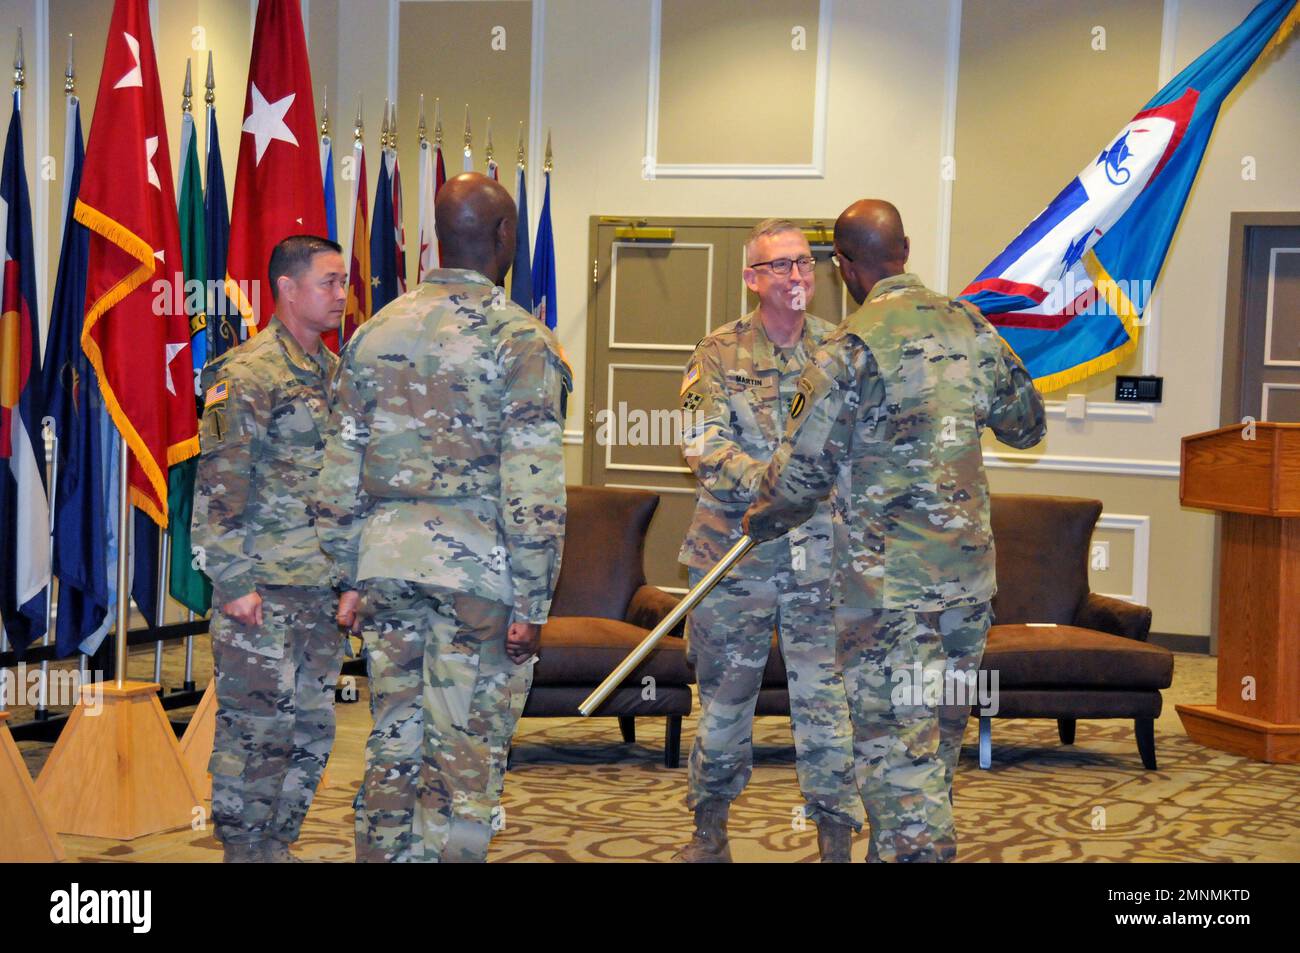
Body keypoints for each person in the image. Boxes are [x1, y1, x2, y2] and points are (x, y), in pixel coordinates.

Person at [744, 200, 1047, 862]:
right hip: (967, 591)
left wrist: (761, 515)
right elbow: (1028, 424)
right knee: (931, 752)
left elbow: (798, 474)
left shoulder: (850, 349)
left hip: (890, 599)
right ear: (906, 250)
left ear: (842, 266)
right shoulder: (972, 327)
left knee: (898, 763)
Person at [315, 172, 571, 863]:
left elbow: (339, 466)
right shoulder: (520, 339)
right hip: (478, 578)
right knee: (465, 755)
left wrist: (345, 574)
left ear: (437, 236)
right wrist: (535, 597)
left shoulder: (373, 331)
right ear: (504, 238)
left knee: (393, 739)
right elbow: (533, 480)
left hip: (385, 566)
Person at [674, 219, 862, 863]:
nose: (797, 276)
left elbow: (859, 450)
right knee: (725, 703)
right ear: (753, 279)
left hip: (821, 561)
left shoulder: (841, 350)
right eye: (780, 266)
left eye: (805, 263)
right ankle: (710, 832)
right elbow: (703, 444)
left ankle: (836, 837)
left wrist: (802, 498)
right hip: (735, 555)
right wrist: (773, 490)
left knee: (828, 706)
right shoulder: (718, 350)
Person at [192, 234, 351, 863]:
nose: (342, 295)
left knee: (310, 730)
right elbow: (218, 491)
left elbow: (347, 488)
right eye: (329, 281)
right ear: (287, 287)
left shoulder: (336, 375)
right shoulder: (247, 374)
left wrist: (351, 581)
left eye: (344, 282)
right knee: (256, 732)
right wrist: (233, 585)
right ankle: (244, 850)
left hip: (320, 591)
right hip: (262, 591)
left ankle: (276, 848)